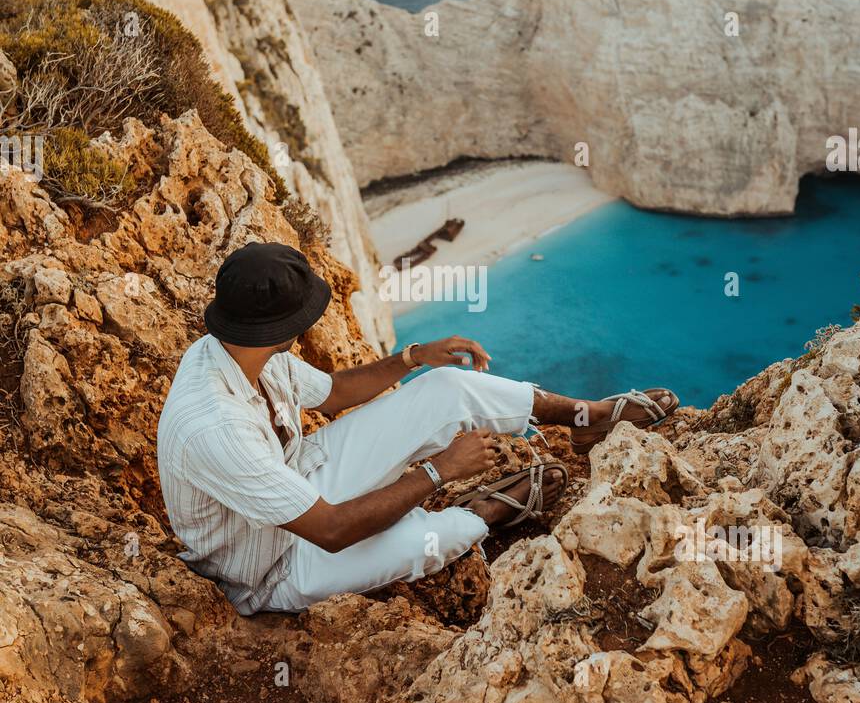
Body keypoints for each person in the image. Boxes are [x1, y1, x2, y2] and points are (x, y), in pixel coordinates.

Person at [157, 243, 677, 614]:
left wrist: (412, 358)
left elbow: (335, 392)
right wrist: (438, 470)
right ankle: (485, 511)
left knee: (447, 387)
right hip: (272, 567)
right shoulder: (214, 426)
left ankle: (586, 417)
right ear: (281, 330)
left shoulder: (243, 352)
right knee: (426, 540)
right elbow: (331, 531)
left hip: (301, 482)